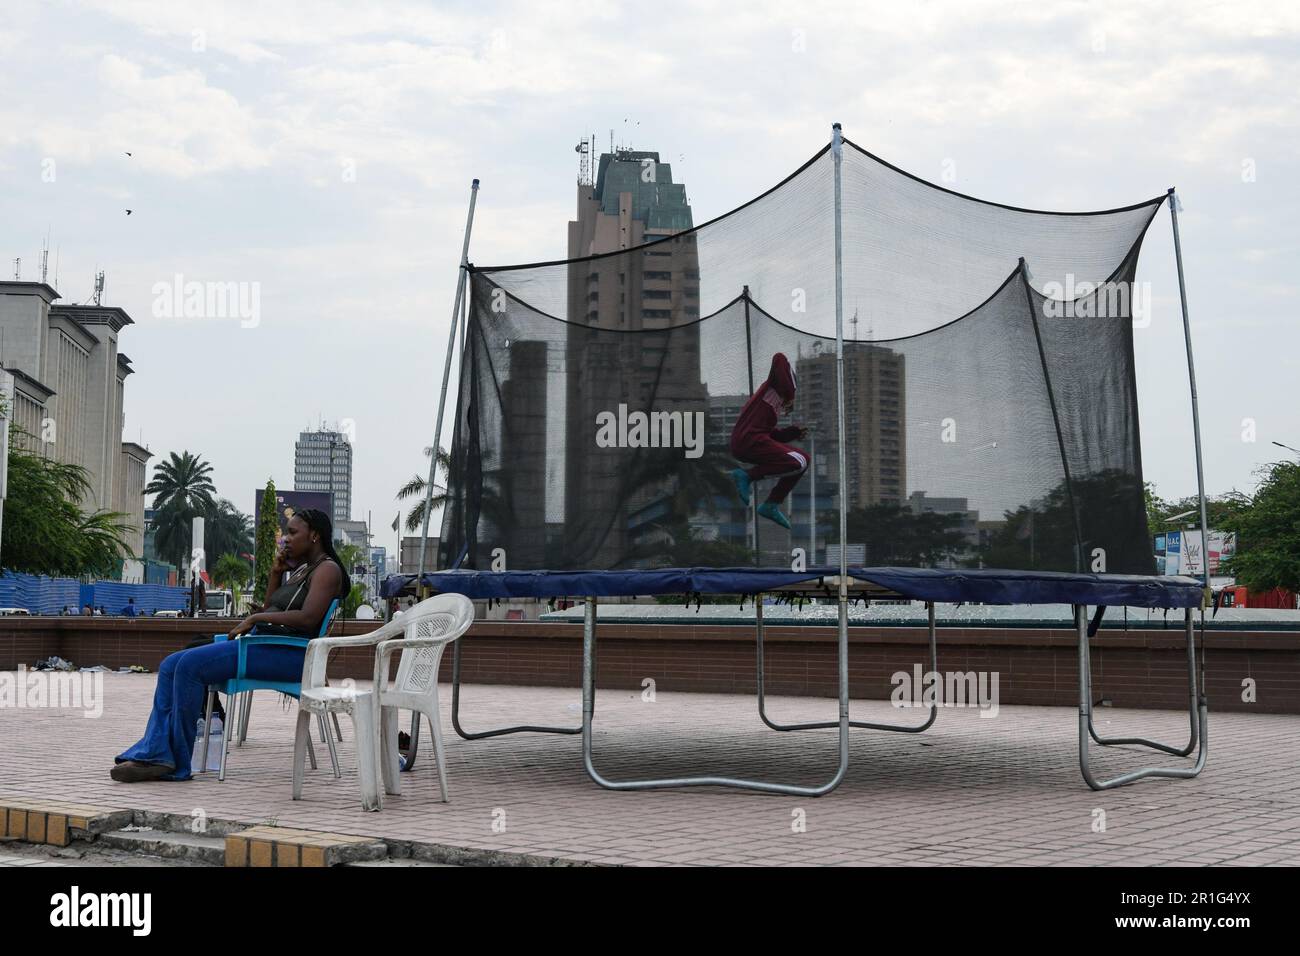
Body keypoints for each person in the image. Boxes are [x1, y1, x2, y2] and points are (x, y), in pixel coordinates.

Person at [111, 508, 351, 783]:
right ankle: (156, 753)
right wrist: (275, 574)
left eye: (293, 532)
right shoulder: (303, 571)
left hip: (291, 655)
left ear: (315, 535)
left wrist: (256, 617)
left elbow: (308, 620)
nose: (286, 539)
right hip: (268, 647)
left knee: (189, 666)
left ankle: (176, 762)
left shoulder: (327, 569)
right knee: (170, 665)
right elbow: (271, 607)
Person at [729, 352, 809, 529]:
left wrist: (792, 433)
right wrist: (790, 395)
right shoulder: (771, 387)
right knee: (800, 461)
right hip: (748, 440)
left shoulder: (773, 407)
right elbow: (779, 358)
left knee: (802, 460)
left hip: (750, 442)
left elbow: (769, 434)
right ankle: (747, 476)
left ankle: (772, 504)